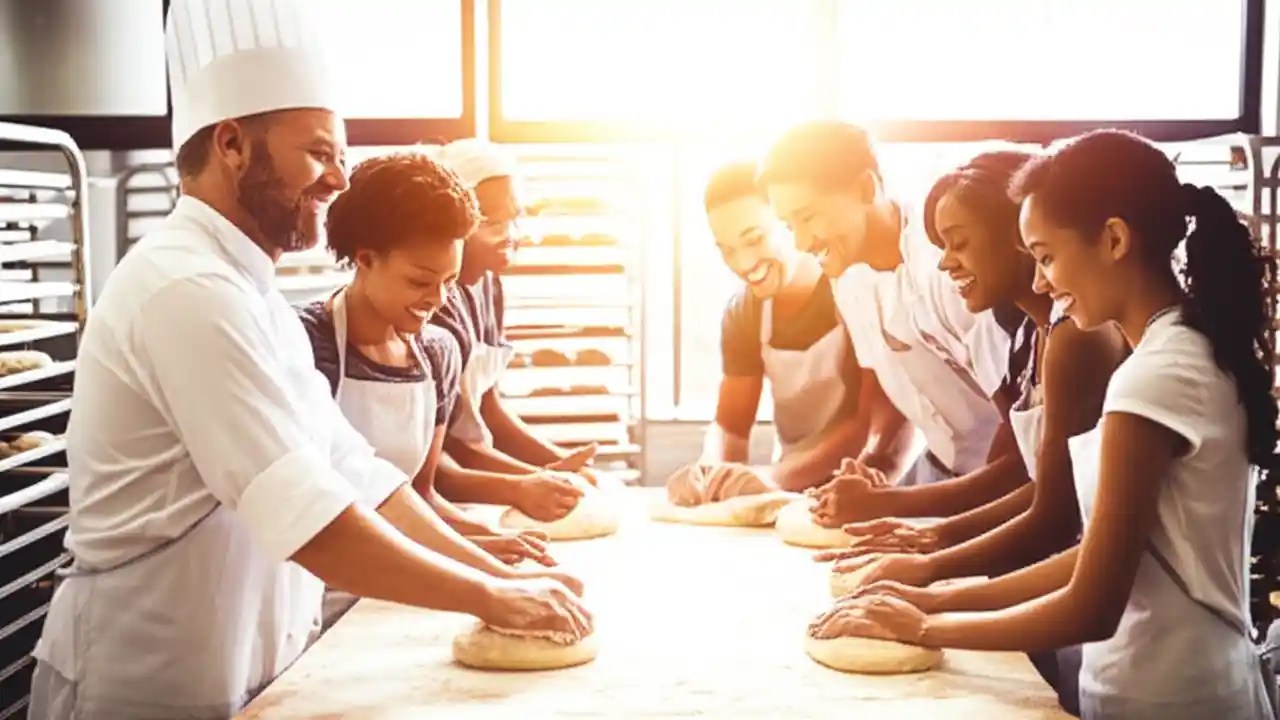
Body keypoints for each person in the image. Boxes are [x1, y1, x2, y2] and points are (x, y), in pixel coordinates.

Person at [29, 2, 589, 717]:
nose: (337, 180)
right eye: (320, 153)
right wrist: (485, 593)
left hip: (242, 669)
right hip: (147, 673)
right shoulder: (186, 289)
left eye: (341, 157)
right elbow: (309, 516)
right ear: (232, 143)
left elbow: (356, 473)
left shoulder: (253, 292)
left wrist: (485, 565)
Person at [811, 130, 1280, 720]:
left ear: (1113, 239)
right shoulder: (1177, 353)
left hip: (1173, 695)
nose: (1039, 282)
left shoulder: (1157, 376)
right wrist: (934, 594)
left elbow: (1093, 604)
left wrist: (928, 624)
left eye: (1048, 256)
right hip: (1160, 684)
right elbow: (1102, 558)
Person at [819, 150, 1128, 716]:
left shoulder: (1076, 340)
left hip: (1097, 612)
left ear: (1018, 235)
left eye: (959, 244)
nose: (945, 265)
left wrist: (932, 566)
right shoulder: (1035, 339)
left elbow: (1055, 511)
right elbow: (1039, 485)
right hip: (1063, 593)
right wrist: (926, 538)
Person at [758, 121, 1023, 525]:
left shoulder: (944, 263)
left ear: (866, 189)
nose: (801, 242)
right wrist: (874, 465)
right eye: (790, 226)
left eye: (808, 217)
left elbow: (1021, 427)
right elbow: (883, 389)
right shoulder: (845, 275)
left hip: (1002, 480)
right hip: (939, 467)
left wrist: (901, 508)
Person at [674, 160, 911, 500]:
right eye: (727, 250)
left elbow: (867, 421)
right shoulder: (744, 314)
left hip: (863, 484)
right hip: (787, 486)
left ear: (790, 221)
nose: (743, 263)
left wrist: (775, 478)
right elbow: (731, 427)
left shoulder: (852, 291)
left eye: (754, 239)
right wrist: (710, 471)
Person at [428, 139, 605, 519]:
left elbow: (489, 410)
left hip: (479, 483)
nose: (511, 233)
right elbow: (449, 449)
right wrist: (534, 481)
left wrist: (564, 466)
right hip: (445, 495)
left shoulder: (488, 286)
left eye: (516, 217)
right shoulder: (432, 306)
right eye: (492, 222)